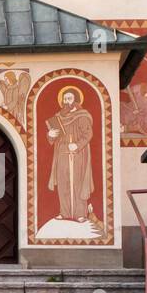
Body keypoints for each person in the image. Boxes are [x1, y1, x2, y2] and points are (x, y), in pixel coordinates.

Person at [46, 88, 94, 221]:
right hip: (61, 153)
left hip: (77, 154)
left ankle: (80, 214)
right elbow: (53, 136)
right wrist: (50, 135)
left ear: (76, 100)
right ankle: (65, 212)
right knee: (63, 183)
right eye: (65, 99)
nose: (66, 102)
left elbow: (88, 134)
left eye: (70, 99)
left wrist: (77, 145)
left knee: (77, 182)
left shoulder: (82, 116)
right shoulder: (58, 117)